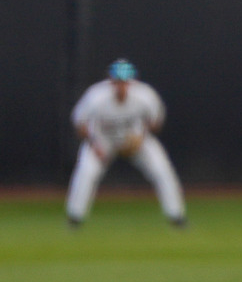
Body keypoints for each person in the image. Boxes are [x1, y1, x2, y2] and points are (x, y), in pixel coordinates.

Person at [67, 59, 186, 230]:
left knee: (162, 169)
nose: (121, 86)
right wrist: (94, 144)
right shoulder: (96, 96)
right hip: (102, 139)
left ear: (132, 82)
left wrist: (141, 137)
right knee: (86, 171)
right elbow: (80, 123)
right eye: (117, 82)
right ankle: (75, 218)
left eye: (125, 82)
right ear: (111, 81)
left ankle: (176, 216)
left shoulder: (145, 95)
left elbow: (156, 121)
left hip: (135, 137)